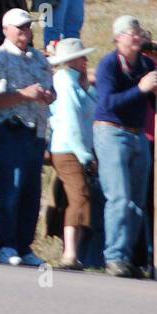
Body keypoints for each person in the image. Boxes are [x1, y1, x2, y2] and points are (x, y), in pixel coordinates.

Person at [0, 8, 55, 267]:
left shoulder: (39, 58)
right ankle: (7, 245)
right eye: (20, 28)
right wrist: (23, 95)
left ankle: (25, 246)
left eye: (28, 27)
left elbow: (51, 89)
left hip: (35, 130)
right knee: (10, 190)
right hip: (8, 130)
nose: (25, 32)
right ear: (6, 30)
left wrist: (48, 95)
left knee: (31, 192)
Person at [93, 15, 157, 278]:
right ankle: (114, 257)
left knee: (136, 202)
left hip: (138, 134)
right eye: (130, 32)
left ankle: (129, 256)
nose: (136, 36)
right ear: (118, 38)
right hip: (112, 132)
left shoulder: (146, 64)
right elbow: (108, 103)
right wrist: (141, 88)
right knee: (119, 198)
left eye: (138, 31)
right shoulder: (108, 64)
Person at [47, 38, 98, 270]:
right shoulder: (65, 83)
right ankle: (70, 252)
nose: (86, 60)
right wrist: (85, 155)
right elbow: (71, 122)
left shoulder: (75, 82)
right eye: (82, 56)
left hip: (74, 148)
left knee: (76, 197)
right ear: (71, 60)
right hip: (69, 148)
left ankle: (73, 253)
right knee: (79, 197)